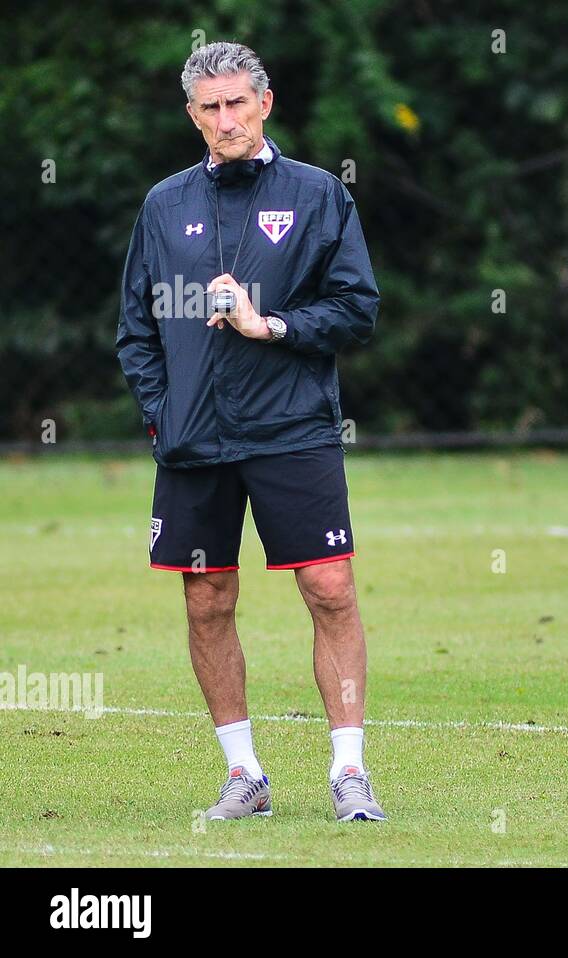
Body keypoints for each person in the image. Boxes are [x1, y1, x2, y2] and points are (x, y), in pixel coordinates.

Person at [115, 41, 386, 822]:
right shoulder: (164, 205)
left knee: (329, 587)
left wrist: (273, 325)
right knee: (207, 600)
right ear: (193, 114)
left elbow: (357, 309)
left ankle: (349, 772)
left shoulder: (316, 194)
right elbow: (136, 329)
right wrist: (162, 412)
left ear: (265, 103)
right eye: (211, 106)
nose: (226, 119)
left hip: (292, 428)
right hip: (194, 439)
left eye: (239, 102)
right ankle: (246, 775)